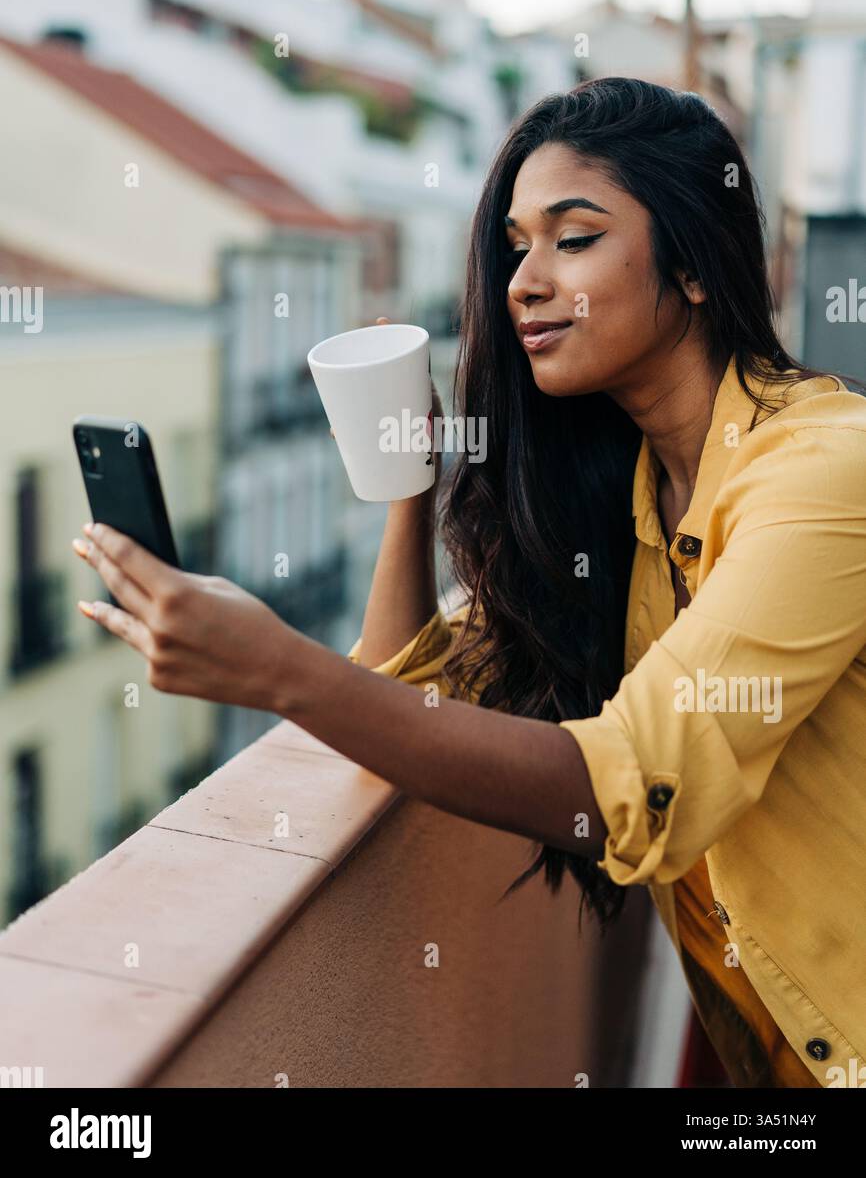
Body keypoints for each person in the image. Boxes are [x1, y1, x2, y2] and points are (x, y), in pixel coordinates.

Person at [73, 78, 866, 1088]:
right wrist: (411, 486)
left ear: (695, 265)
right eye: (514, 245)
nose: (522, 282)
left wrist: (277, 669)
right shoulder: (625, 496)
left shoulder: (817, 473)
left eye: (572, 239)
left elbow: (634, 785)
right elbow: (408, 705)